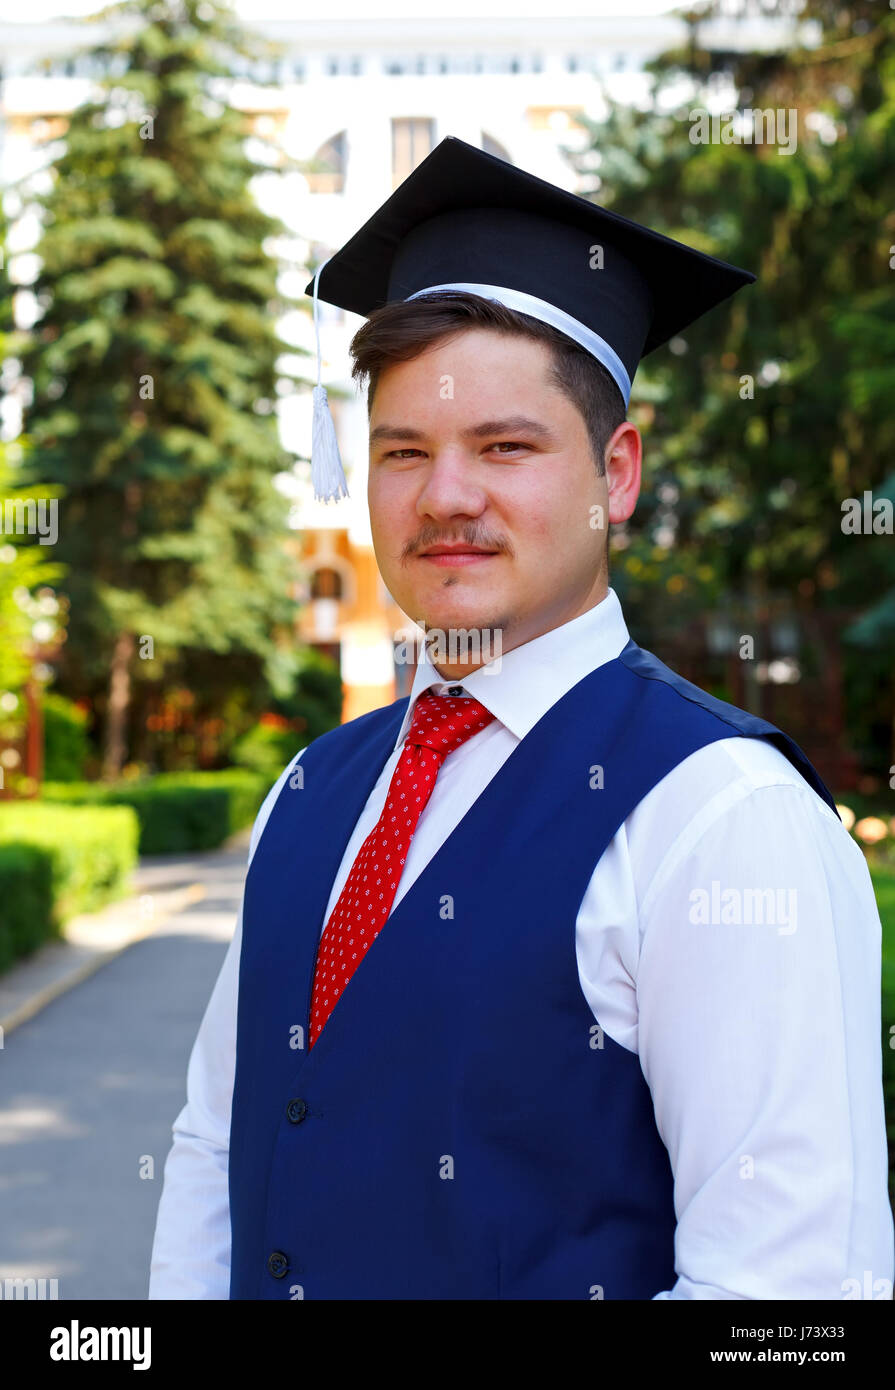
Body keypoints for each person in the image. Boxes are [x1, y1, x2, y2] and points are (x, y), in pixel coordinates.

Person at [149, 136, 894, 1300]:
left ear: (618, 475)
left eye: (506, 445)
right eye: (404, 451)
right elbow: (216, 1151)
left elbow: (784, 1295)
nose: (446, 497)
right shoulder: (312, 789)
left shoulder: (721, 817)